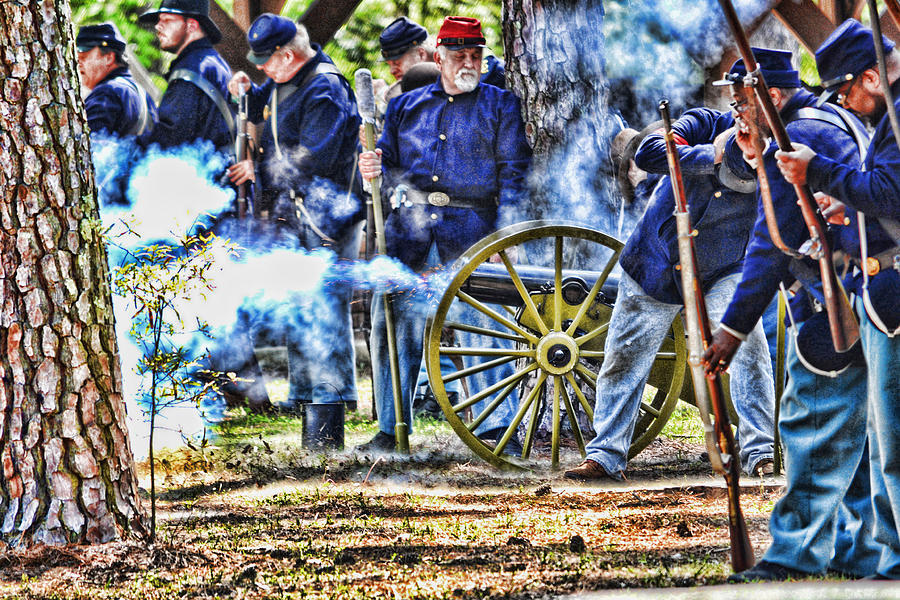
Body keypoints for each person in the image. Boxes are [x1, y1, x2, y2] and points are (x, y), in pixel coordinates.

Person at [701, 46, 880, 582]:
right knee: (858, 435)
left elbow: (770, 243)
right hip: (857, 294)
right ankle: (860, 551)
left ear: (771, 97)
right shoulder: (824, 121)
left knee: (811, 422)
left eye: (742, 103)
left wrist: (730, 331)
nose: (737, 115)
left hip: (840, 302)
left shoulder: (797, 137)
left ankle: (793, 555)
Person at [562, 101, 776, 482]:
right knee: (624, 355)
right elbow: (650, 150)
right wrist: (712, 154)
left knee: (750, 348)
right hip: (656, 263)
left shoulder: (775, 151)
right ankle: (605, 455)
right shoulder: (704, 123)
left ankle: (760, 453)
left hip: (725, 267)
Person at [357, 16, 532, 452]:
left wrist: (503, 237)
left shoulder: (500, 104)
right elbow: (389, 167)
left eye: (474, 54)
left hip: (475, 236)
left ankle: (497, 431)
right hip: (411, 237)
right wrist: (371, 170)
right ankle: (389, 429)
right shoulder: (404, 107)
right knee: (392, 327)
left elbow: (515, 174)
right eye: (458, 56)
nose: (468, 63)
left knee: (486, 333)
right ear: (439, 57)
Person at [773, 19, 900, 580]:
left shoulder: (897, 115)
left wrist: (818, 170)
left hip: (890, 293)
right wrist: (854, 209)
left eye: (847, 88)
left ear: (870, 76)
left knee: (893, 446)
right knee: (885, 443)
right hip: (881, 288)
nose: (846, 102)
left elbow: (892, 191)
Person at [224, 14, 364, 409]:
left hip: (327, 217)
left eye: (266, 60)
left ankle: (334, 396)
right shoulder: (286, 80)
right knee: (301, 303)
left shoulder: (325, 88)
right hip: (297, 212)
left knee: (325, 304)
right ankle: (305, 395)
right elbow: (262, 102)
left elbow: (313, 157)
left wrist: (258, 167)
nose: (262, 67)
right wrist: (244, 90)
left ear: (287, 55)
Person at [137, 0, 232, 151]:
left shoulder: (192, 68)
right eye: (159, 20)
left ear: (192, 25)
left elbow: (171, 136)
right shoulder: (212, 62)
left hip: (201, 170)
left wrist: (129, 146)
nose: (158, 26)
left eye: (167, 20)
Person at [76, 22, 157, 139]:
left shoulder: (107, 93)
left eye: (83, 57)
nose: (78, 64)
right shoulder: (144, 95)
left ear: (109, 58)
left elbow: (88, 148)